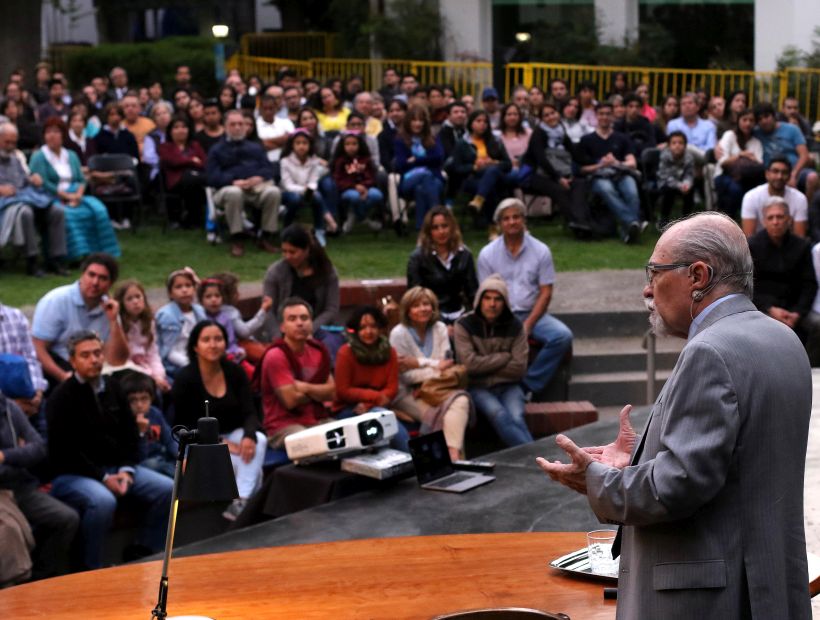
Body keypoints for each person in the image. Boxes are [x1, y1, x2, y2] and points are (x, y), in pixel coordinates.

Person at [537, 211, 812, 619]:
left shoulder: (709, 351)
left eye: (655, 272)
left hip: (707, 602)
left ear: (698, 276)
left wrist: (595, 479)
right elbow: (737, 465)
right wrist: (637, 463)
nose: (647, 290)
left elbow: (677, 487)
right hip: (770, 590)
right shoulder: (784, 338)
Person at [47, 330, 173, 570]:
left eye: (97, 353)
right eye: (86, 355)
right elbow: (66, 451)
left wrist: (126, 470)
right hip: (74, 474)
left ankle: (143, 551)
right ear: (73, 361)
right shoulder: (61, 397)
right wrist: (104, 478)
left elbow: (129, 434)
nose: (94, 359)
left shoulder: (114, 388)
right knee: (103, 501)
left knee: (167, 489)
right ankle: (88, 567)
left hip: (117, 468)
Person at [477, 198, 573, 398]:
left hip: (533, 314)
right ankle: (493, 388)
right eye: (507, 218)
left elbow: (546, 292)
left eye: (516, 217)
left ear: (524, 220)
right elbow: (486, 295)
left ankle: (527, 387)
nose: (512, 222)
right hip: (500, 315)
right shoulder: (487, 254)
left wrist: (528, 323)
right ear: (500, 223)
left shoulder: (540, 250)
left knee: (562, 336)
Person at [172, 320, 267, 521]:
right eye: (206, 340)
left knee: (259, 439)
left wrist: (249, 436)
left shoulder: (235, 372)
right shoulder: (185, 379)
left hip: (235, 435)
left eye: (218, 339)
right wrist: (218, 441)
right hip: (202, 444)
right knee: (254, 473)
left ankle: (241, 501)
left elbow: (251, 412)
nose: (213, 344)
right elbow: (182, 424)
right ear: (195, 346)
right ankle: (247, 507)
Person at [0, 392, 78, 581]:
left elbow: (38, 448)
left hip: (19, 486)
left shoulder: (9, 408)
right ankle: (16, 587)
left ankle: (43, 577)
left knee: (67, 518)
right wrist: (20, 453)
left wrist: (6, 456)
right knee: (11, 530)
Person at [389, 287, 471, 461]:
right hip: (409, 393)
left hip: (439, 388)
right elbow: (405, 376)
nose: (423, 308)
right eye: (416, 305)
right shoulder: (398, 334)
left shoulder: (440, 328)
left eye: (426, 304)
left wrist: (418, 366)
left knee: (462, 400)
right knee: (444, 416)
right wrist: (431, 365)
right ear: (407, 310)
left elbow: (446, 366)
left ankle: (453, 455)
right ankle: (457, 462)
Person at [454, 274, 532, 447]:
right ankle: (539, 462)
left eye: (498, 299)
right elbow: (469, 365)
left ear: (505, 302)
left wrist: (486, 367)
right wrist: (504, 357)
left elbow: (519, 367)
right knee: (499, 414)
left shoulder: (515, 325)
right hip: (478, 387)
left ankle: (537, 462)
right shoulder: (464, 325)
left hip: (510, 386)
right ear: (479, 300)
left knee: (516, 416)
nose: (492, 304)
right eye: (487, 298)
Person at [29, 117, 120, 261]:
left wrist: (77, 195)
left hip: (75, 194)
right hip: (52, 197)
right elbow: (44, 183)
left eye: (56, 132)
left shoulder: (71, 155)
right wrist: (66, 196)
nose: (51, 135)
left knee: (99, 210)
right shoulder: (39, 156)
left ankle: (98, 253)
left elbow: (81, 179)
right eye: (48, 132)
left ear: (63, 135)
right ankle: (74, 255)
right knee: (70, 215)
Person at [31, 253, 128, 384]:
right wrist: (63, 376)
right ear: (82, 275)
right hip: (58, 367)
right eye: (91, 275)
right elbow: (37, 348)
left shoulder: (110, 308)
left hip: (93, 369)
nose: (95, 283)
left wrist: (113, 321)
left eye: (103, 278)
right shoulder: (56, 301)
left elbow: (117, 360)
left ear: (110, 284)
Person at [259, 297, 335, 448]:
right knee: (314, 443)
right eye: (292, 319)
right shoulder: (276, 355)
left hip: (316, 419)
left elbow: (332, 393)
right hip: (283, 426)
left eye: (304, 318)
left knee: (349, 435)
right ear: (282, 327)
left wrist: (305, 387)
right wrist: (318, 391)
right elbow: (291, 400)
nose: (300, 323)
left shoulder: (318, 350)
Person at [206, 109, 281, 258]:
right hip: (227, 189)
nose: (238, 127)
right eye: (233, 124)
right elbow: (212, 177)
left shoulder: (255, 147)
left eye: (241, 124)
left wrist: (258, 178)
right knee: (234, 193)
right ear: (226, 127)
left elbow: (269, 169)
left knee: (274, 192)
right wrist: (233, 181)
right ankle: (237, 238)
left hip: (255, 188)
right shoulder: (216, 150)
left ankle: (265, 236)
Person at [333, 306, 409, 452]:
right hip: (349, 409)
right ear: (355, 330)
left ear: (380, 328)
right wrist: (376, 397)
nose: (368, 332)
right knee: (385, 427)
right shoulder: (345, 352)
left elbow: (392, 388)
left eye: (373, 326)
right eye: (363, 327)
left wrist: (369, 404)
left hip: (378, 407)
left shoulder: (390, 352)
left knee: (388, 426)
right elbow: (343, 391)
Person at [0, 122, 68, 276]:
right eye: (7, 142)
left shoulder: (15, 158)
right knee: (26, 213)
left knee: (57, 210)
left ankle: (55, 259)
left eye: (13, 142)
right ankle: (32, 260)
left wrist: (32, 179)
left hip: (23, 196)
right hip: (5, 203)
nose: (10, 146)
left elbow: (23, 179)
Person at [748, 197, 818, 342]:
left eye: (780, 217)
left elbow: (809, 285)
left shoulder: (802, 246)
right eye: (771, 217)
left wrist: (797, 313)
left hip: (796, 311)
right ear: (764, 221)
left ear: (789, 220)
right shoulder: (752, 246)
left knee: (817, 325)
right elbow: (748, 286)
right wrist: (770, 309)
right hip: (763, 309)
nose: (775, 222)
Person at [578, 102, 644, 243]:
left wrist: (615, 163)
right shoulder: (586, 140)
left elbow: (632, 163)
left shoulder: (622, 138)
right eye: (601, 114)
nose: (605, 117)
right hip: (598, 176)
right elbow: (582, 169)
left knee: (631, 191)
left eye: (608, 114)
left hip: (621, 174)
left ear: (613, 116)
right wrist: (600, 165)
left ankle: (628, 231)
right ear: (596, 116)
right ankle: (633, 222)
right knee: (607, 189)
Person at [262, 224, 340, 340]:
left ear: (307, 250)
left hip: (317, 331)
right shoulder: (275, 272)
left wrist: (309, 330)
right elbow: (268, 311)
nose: (287, 256)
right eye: (284, 251)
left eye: (293, 252)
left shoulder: (328, 272)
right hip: (284, 333)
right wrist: (278, 337)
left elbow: (331, 309)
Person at [522, 101, 588, 236]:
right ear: (542, 119)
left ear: (558, 113)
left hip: (562, 173)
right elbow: (541, 160)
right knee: (560, 190)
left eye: (552, 113)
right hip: (538, 176)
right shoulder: (538, 134)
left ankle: (583, 221)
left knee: (580, 184)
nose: (551, 117)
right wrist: (558, 178)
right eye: (546, 115)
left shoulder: (561, 130)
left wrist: (596, 161)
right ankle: (576, 224)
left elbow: (574, 153)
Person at [407, 206, 479, 328]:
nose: (441, 231)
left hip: (461, 316)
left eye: (445, 226)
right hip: (429, 318)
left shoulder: (465, 255)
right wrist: (440, 323)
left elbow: (472, 293)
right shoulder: (417, 258)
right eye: (435, 227)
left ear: (452, 228)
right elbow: (416, 297)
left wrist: (465, 321)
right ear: (429, 231)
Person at [451, 109, 512, 230]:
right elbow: (456, 168)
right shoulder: (462, 143)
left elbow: (508, 164)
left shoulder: (495, 140)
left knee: (492, 172)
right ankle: (493, 227)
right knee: (489, 187)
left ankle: (478, 201)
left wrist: (493, 162)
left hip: (496, 176)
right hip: (473, 178)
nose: (482, 124)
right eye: (478, 121)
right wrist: (475, 166)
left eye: (485, 121)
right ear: (471, 123)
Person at [393, 105, 445, 230]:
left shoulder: (432, 138)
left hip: (432, 177)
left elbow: (439, 158)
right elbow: (401, 163)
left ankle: (421, 227)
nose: (418, 124)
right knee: (425, 176)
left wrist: (416, 160)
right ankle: (438, 220)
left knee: (421, 189)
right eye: (414, 120)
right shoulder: (400, 140)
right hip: (409, 179)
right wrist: (426, 161)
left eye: (421, 120)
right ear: (408, 122)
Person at [754, 102, 817, 202]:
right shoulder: (756, 132)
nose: (764, 121)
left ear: (774, 116)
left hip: (795, 171)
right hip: (769, 173)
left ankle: (807, 212)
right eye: (760, 119)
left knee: (812, 177)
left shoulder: (792, 129)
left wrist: (793, 174)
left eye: (766, 116)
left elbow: (804, 155)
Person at [114, 279, 170, 392]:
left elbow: (152, 352)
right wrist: (152, 377)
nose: (135, 302)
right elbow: (124, 360)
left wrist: (159, 375)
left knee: (171, 387)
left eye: (138, 297)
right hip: (129, 372)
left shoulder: (148, 321)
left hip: (148, 368)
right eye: (129, 299)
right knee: (154, 393)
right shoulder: (118, 325)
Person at [280, 130, 334, 244]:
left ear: (310, 145)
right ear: (292, 145)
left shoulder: (314, 161)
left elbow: (313, 181)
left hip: (308, 191)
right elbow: (287, 185)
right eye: (298, 143)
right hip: (289, 193)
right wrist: (303, 190)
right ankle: (286, 229)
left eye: (304, 143)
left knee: (317, 197)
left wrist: (309, 189)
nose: (301, 146)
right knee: (295, 199)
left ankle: (319, 231)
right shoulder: (285, 161)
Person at [0, 301, 48, 424]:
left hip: (28, 398)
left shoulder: (16, 316)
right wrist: (12, 404)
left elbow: (31, 358)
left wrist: (37, 392)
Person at [121, 373, 176, 479]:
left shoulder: (154, 414)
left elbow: (169, 439)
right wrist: (141, 433)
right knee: (153, 464)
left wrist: (183, 456)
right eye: (133, 400)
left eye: (144, 399)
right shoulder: (125, 420)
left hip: (161, 457)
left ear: (152, 398)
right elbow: (139, 457)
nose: (139, 405)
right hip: (142, 464)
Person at [155, 267, 207, 378]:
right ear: (170, 293)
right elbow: (169, 350)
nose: (184, 290)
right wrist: (190, 364)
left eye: (188, 286)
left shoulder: (199, 311)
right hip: (175, 364)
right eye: (178, 287)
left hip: (198, 357)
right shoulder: (167, 315)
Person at [158, 113, 207, 229]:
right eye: (176, 127)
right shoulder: (165, 147)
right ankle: (189, 219)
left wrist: (187, 162)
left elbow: (204, 162)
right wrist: (192, 161)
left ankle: (194, 219)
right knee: (190, 178)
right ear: (170, 131)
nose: (181, 130)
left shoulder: (195, 145)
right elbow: (174, 161)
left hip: (195, 180)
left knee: (193, 179)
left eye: (184, 127)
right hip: (174, 181)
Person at [713, 108, 764, 219]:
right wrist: (741, 155)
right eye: (744, 120)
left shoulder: (756, 142)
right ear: (738, 121)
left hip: (747, 177)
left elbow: (760, 165)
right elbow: (723, 162)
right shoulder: (729, 135)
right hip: (724, 174)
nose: (748, 123)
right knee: (735, 190)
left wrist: (751, 159)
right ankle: (726, 219)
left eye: (751, 120)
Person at [741, 156, 808, 237]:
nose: (779, 176)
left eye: (784, 172)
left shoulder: (800, 199)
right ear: (767, 174)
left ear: (790, 176)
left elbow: (800, 237)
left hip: (789, 246)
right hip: (758, 246)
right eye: (775, 171)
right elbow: (748, 237)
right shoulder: (751, 197)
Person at [331, 131, 384, 234]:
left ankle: (353, 214)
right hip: (347, 190)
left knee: (377, 195)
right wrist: (354, 186)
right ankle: (364, 219)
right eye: (347, 144)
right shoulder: (340, 161)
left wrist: (364, 186)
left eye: (354, 144)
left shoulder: (366, 160)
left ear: (360, 145)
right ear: (343, 146)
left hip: (366, 188)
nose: (351, 147)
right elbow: (338, 180)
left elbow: (372, 177)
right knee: (355, 197)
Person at [656, 131, 695, 228]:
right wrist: (679, 186)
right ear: (669, 146)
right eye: (674, 143)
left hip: (682, 183)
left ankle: (686, 219)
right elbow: (665, 176)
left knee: (690, 190)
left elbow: (689, 174)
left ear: (685, 146)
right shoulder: (664, 156)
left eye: (680, 143)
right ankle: (664, 219)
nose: (677, 146)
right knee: (669, 191)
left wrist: (687, 184)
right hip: (666, 183)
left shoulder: (689, 157)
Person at [666, 92, 717, 161]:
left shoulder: (709, 125)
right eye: (683, 104)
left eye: (690, 103)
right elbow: (672, 147)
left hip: (703, 161)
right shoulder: (673, 124)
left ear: (697, 107)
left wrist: (693, 150)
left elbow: (710, 148)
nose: (687, 106)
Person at [256, 95, 294, 164]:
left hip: (287, 162)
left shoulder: (286, 122)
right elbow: (259, 145)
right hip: (263, 162)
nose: (268, 112)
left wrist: (266, 141)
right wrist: (281, 142)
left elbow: (291, 140)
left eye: (271, 108)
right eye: (265, 108)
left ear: (276, 108)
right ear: (260, 109)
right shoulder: (256, 125)